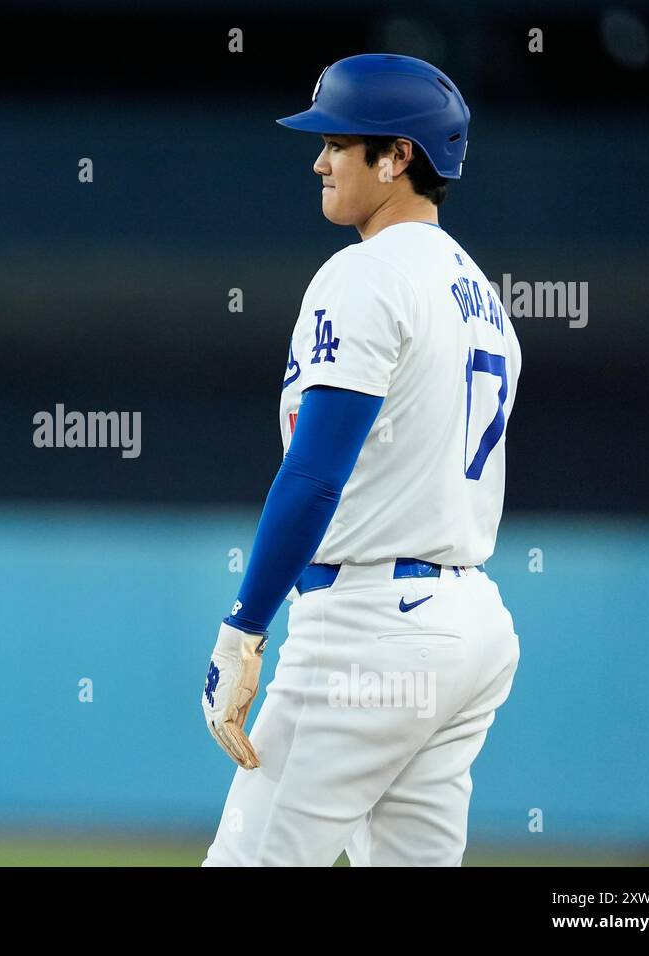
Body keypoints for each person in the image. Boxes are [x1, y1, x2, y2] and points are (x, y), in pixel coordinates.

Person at [201, 55, 521, 866]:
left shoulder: (368, 272)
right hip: (469, 625)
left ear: (397, 156)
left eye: (337, 142)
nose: (318, 161)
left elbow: (314, 474)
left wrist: (244, 626)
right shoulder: (483, 296)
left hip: (369, 626)